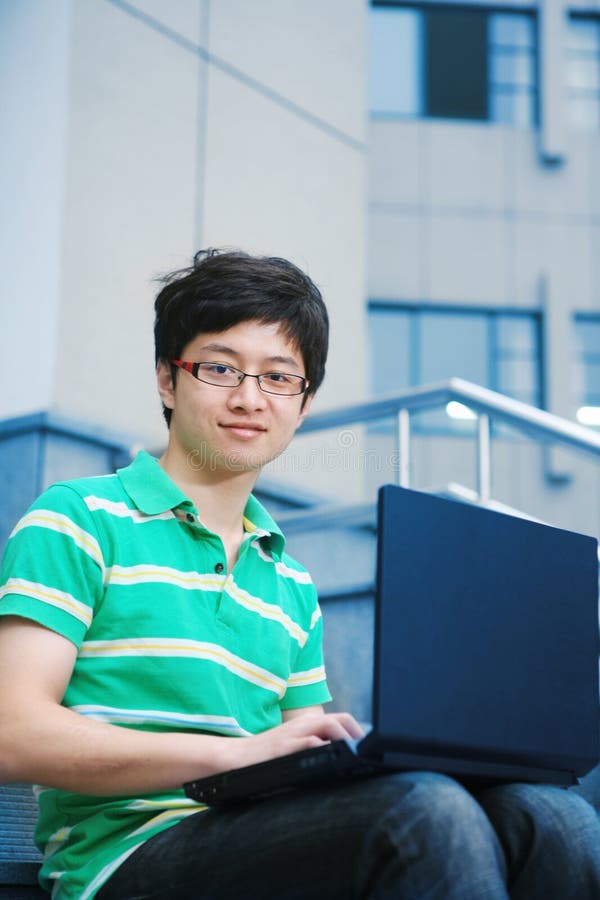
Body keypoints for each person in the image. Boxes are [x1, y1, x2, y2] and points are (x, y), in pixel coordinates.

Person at [0, 248, 599, 900]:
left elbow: (296, 753)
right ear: (168, 381)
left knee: (551, 818)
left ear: (304, 403)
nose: (250, 398)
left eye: (279, 377)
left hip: (263, 835)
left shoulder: (290, 583)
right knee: (423, 813)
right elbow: (12, 731)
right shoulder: (78, 519)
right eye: (220, 368)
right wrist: (227, 754)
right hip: (129, 860)